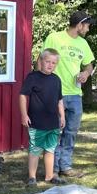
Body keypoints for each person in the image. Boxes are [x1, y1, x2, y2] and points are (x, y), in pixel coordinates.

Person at [43, 10, 95, 176]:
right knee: (55, 132)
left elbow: (89, 65)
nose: (88, 29)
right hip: (55, 94)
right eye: (87, 25)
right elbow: (42, 61)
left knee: (71, 132)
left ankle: (65, 166)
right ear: (79, 25)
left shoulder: (83, 44)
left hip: (75, 95)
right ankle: (53, 168)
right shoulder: (54, 37)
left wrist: (85, 73)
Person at [19, 48, 65, 186]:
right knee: (35, 149)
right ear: (41, 61)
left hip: (53, 122)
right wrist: (24, 115)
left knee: (50, 149)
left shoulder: (56, 80)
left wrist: (62, 116)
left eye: (53, 63)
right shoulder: (33, 77)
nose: (50, 65)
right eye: (47, 61)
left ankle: (49, 176)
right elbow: (23, 96)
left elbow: (59, 100)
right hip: (36, 122)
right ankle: (32, 177)